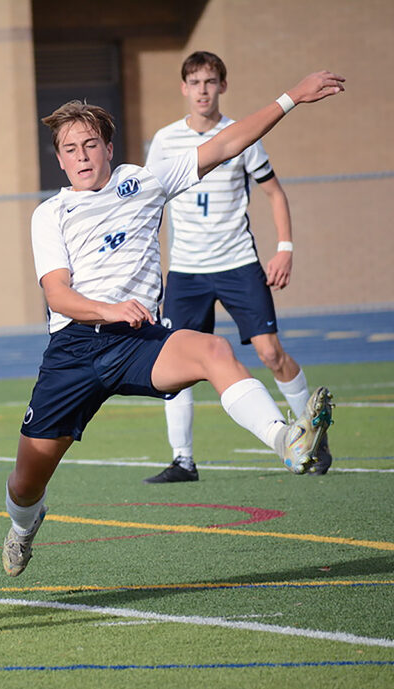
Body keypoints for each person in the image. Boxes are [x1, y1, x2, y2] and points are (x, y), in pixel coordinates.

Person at [3, 70, 344, 577]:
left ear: (109, 148)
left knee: (215, 351)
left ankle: (285, 441)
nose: (81, 156)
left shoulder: (146, 180)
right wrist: (109, 309)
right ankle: (24, 528)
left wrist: (291, 97)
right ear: (59, 159)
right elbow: (59, 294)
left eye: (90, 144)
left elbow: (227, 143)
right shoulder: (50, 214)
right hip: (74, 351)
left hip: (139, 342)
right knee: (26, 483)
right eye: (70, 149)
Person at [143, 51, 331, 484]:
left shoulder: (242, 136)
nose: (203, 90)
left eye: (210, 81)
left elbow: (275, 194)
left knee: (270, 352)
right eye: (195, 82)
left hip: (237, 263)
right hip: (186, 272)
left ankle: (311, 438)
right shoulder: (165, 140)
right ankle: (183, 460)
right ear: (183, 89)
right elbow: (150, 206)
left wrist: (284, 248)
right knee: (176, 365)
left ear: (222, 86)